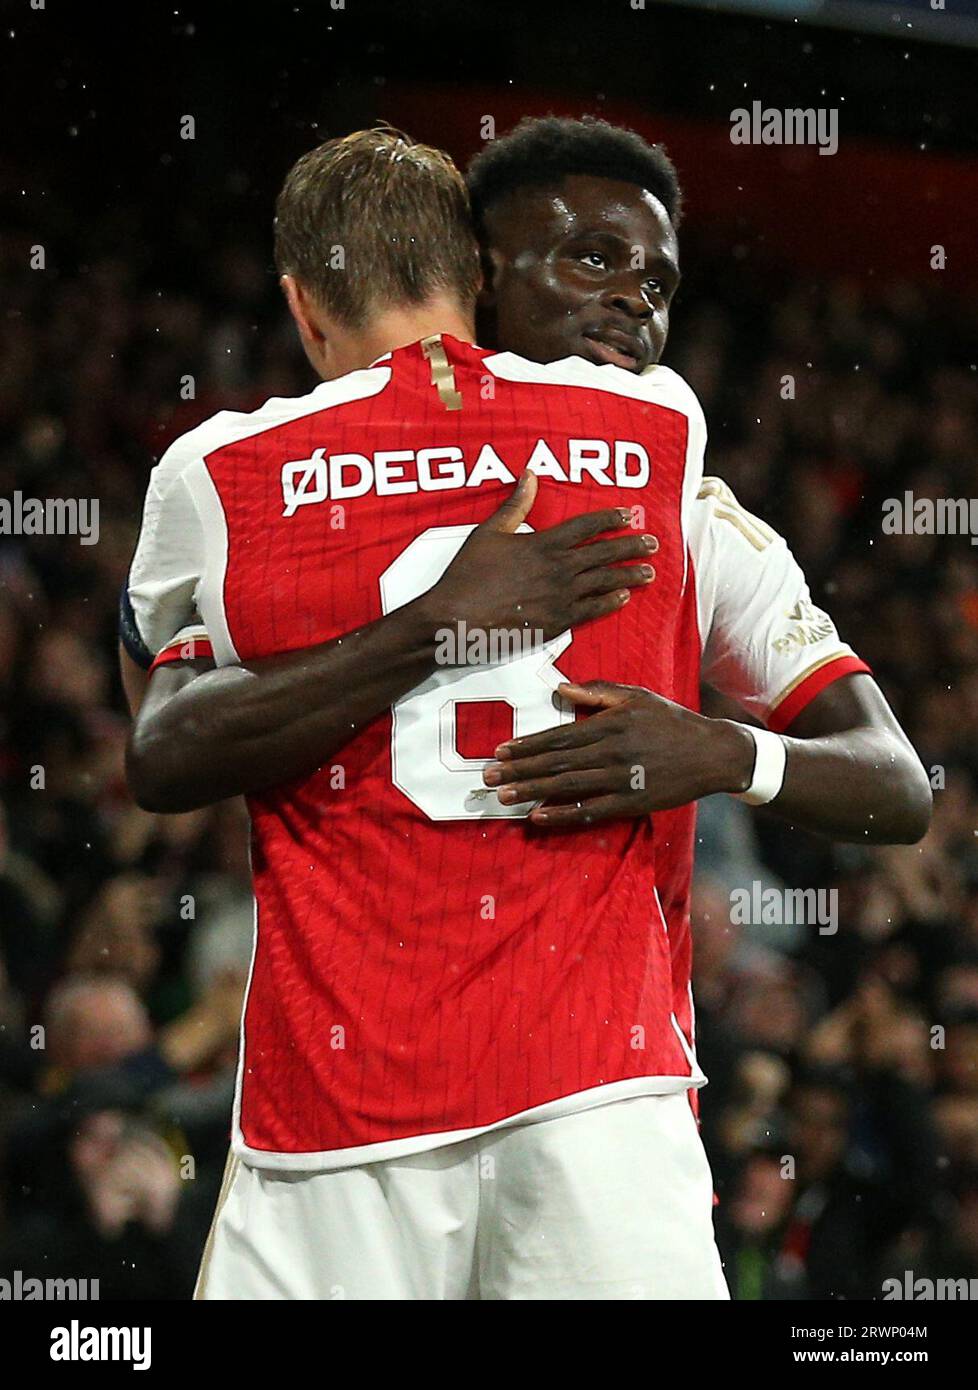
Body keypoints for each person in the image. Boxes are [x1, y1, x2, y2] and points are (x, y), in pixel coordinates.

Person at [121, 126, 734, 1300]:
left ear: (302, 306)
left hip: (338, 1106)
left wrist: (407, 628)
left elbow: (161, 745)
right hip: (599, 1086)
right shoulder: (655, 424)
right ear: (478, 274)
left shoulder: (222, 474)